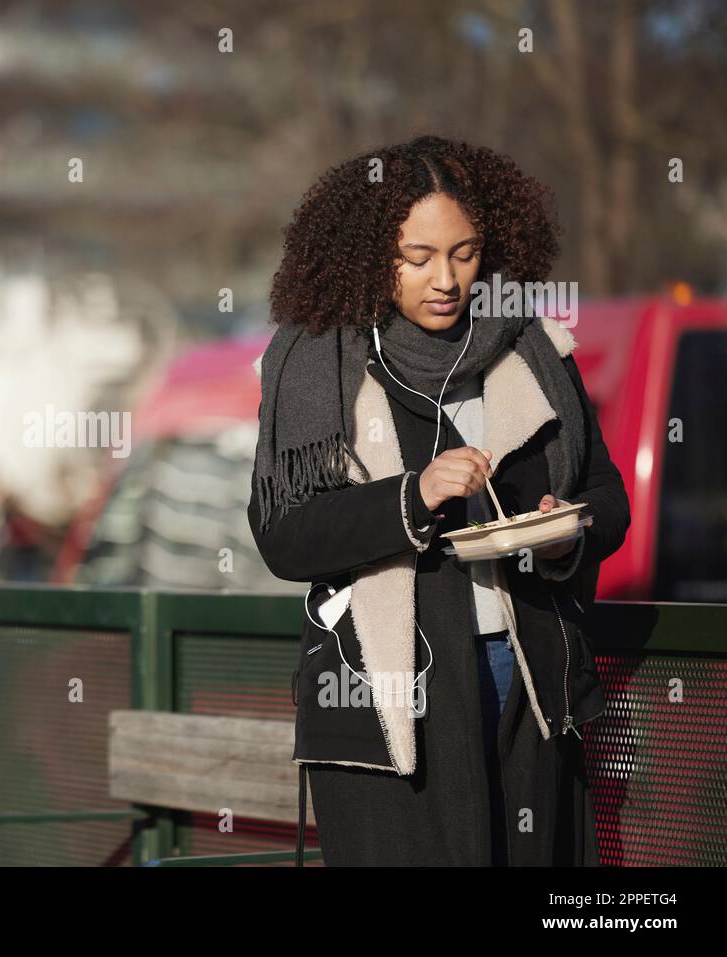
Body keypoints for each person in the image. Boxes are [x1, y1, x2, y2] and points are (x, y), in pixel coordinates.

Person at [248, 135, 630, 866]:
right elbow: (283, 535)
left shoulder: (532, 348)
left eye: (464, 252)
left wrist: (564, 536)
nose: (447, 278)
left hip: (530, 683)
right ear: (369, 254)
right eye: (416, 257)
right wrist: (412, 497)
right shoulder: (319, 363)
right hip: (388, 696)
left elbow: (607, 497)